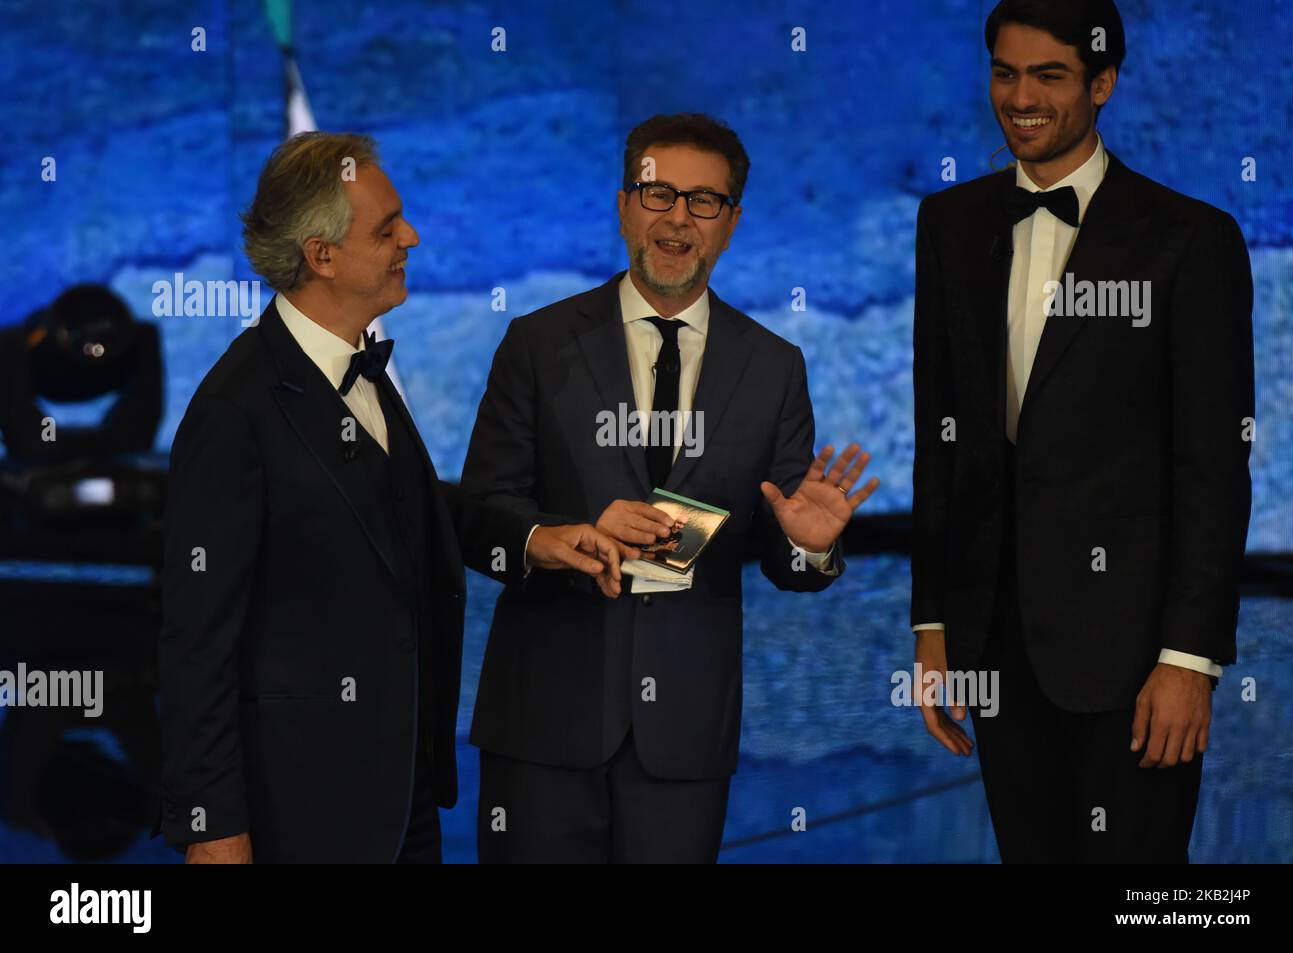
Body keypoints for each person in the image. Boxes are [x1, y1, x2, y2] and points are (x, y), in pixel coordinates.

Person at [156, 132, 623, 864]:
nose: (411, 236)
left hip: (400, 796)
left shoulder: (358, 367)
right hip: (301, 811)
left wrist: (540, 538)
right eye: (387, 228)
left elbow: (400, 504)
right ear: (322, 256)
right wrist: (213, 829)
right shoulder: (235, 408)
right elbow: (195, 644)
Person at [462, 113, 879, 863]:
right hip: (544, 727)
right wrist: (563, 536)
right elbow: (481, 518)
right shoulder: (537, 342)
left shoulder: (774, 367)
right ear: (625, 205)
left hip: (685, 737)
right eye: (658, 195)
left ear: (731, 224)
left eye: (704, 201)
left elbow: (786, 558)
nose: (678, 218)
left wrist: (809, 547)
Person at [911, 0, 1254, 862]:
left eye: (1049, 75)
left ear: (1102, 84)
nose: (1020, 97)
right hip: (994, 639)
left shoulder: (1192, 240)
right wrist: (932, 625)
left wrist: (1190, 658)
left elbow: (1212, 466)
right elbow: (941, 439)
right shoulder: (949, 226)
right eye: (1005, 73)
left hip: (1137, 657)